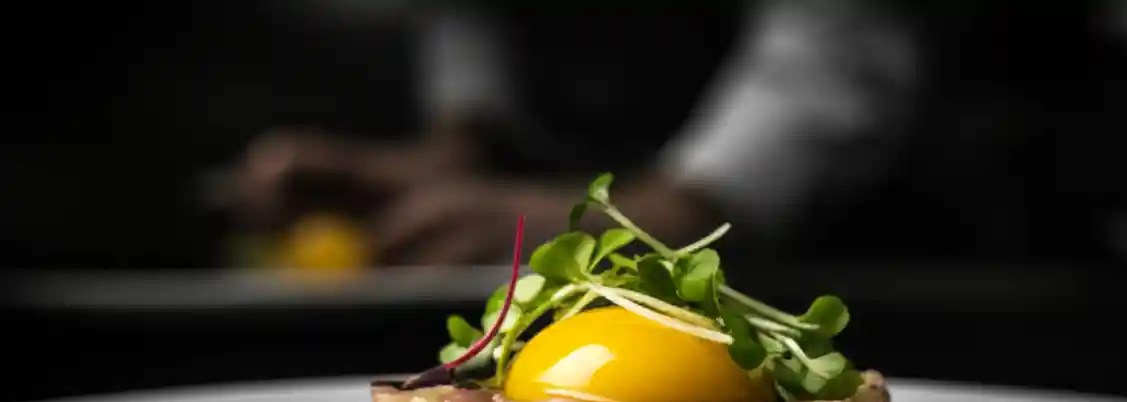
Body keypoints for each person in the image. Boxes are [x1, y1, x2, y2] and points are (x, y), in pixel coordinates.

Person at [230, 0, 918, 265]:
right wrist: (447, 156)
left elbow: (830, 63)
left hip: (849, 259)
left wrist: (664, 213)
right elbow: (471, 29)